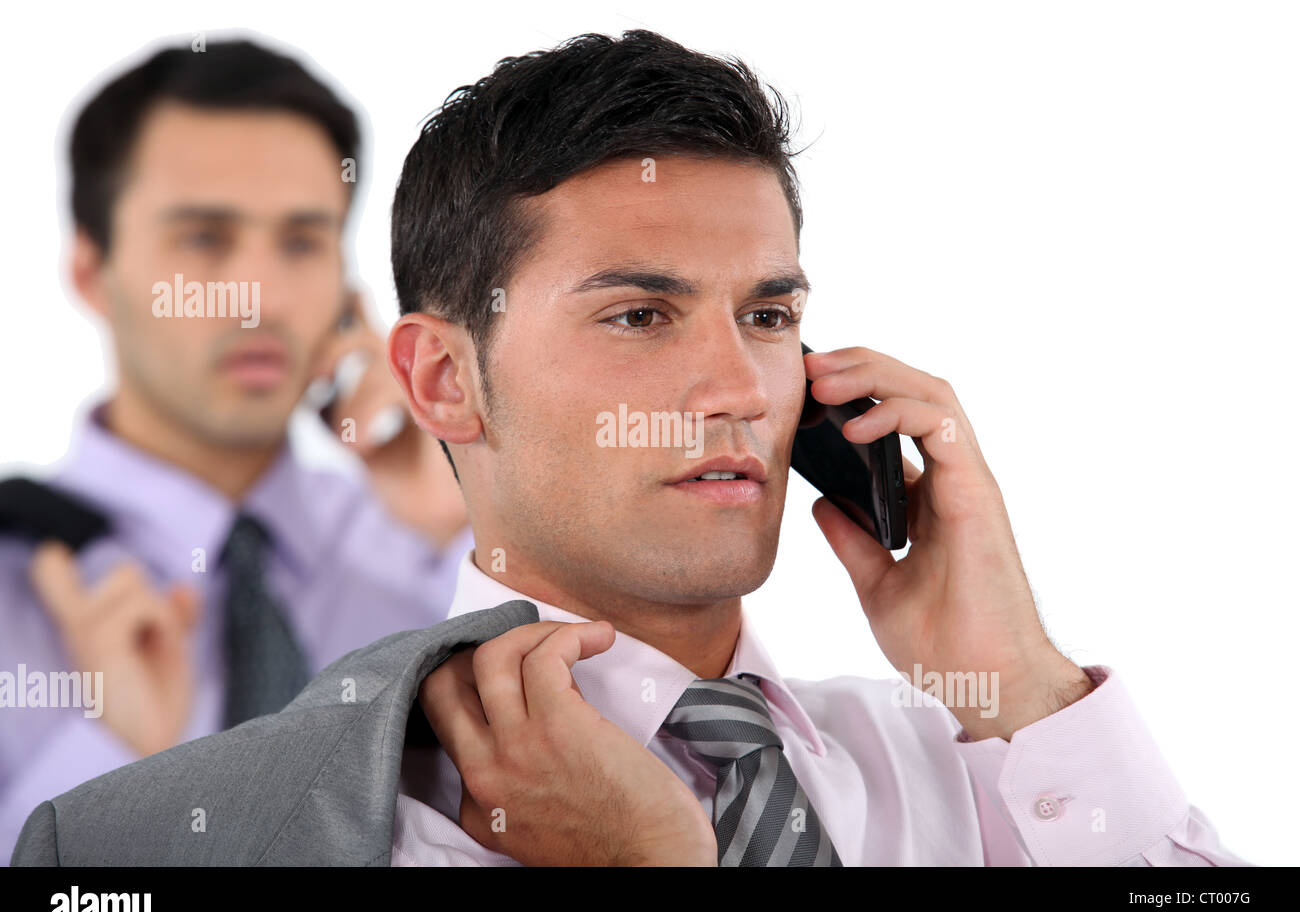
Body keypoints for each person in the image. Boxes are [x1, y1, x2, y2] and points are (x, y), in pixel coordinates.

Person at [10, 29, 1247, 867]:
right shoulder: (203, 833)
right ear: (444, 379)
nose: (736, 386)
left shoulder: (968, 764)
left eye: (768, 315)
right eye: (639, 314)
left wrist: (1017, 677)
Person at [0, 38, 469, 862]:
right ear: (89, 270)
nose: (261, 297)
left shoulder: (436, 552)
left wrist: (478, 529)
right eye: (204, 240)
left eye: (300, 242)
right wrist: (111, 764)